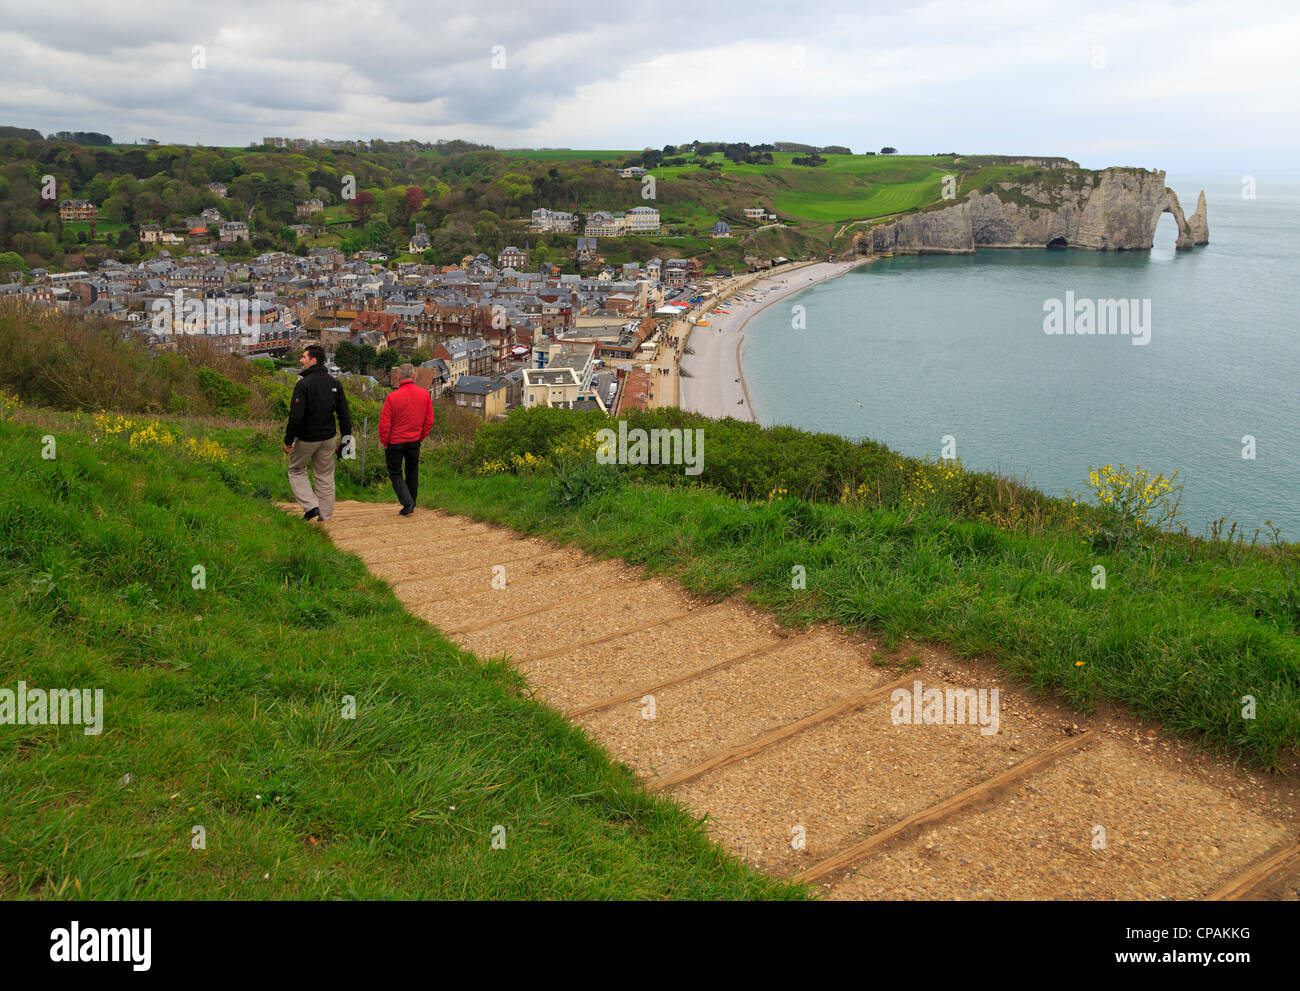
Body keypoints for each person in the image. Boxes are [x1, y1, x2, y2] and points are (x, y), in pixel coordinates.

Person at [284, 345, 352, 522]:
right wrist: (346, 443)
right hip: (328, 438)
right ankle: (325, 517)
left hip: (307, 438)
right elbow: (344, 415)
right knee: (325, 476)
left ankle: (311, 506)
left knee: (296, 469)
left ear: (313, 360)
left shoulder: (303, 384)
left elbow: (296, 417)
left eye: (303, 357)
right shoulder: (334, 383)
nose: (300, 360)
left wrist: (288, 439)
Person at [379, 363, 434, 516]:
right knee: (412, 471)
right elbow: (429, 420)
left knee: (395, 472)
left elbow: (385, 424)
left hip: (395, 441)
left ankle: (407, 502)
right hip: (414, 440)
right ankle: (411, 502)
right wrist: (420, 437)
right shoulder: (424, 395)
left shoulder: (392, 397)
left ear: (398, 377)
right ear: (414, 375)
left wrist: (385, 441)